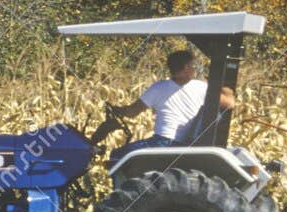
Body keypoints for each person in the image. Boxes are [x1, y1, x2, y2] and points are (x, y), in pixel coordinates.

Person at [89, 49, 235, 156]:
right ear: (186, 68)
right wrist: (222, 85)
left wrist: (117, 110)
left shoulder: (159, 87)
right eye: (193, 65)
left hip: (163, 142)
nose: (195, 69)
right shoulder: (202, 87)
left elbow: (132, 112)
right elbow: (229, 103)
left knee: (118, 155)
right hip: (184, 143)